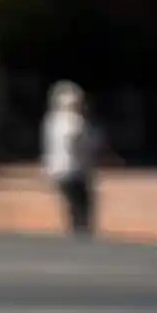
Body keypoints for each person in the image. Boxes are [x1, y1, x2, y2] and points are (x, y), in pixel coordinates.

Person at [41, 81, 103, 237]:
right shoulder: (75, 122)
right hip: (75, 170)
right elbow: (84, 143)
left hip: (56, 168)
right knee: (83, 203)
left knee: (72, 204)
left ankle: (76, 230)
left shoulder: (51, 121)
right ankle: (81, 231)